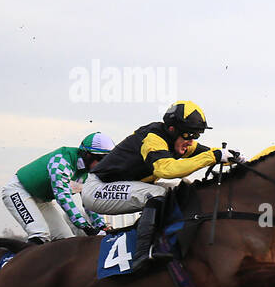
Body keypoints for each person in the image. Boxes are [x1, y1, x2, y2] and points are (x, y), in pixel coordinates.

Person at [81, 101, 243, 260]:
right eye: (189, 134)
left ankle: (173, 237)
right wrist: (214, 156)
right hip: (98, 189)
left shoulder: (179, 140)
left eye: (197, 135)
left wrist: (235, 159)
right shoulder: (153, 139)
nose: (192, 140)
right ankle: (142, 253)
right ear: (172, 129)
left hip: (117, 186)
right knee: (157, 193)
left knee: (182, 188)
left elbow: (211, 154)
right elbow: (166, 170)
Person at [2, 132, 114, 244]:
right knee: (40, 234)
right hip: (19, 191)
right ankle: (13, 261)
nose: (103, 165)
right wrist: (85, 226)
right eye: (102, 159)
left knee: (67, 240)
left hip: (43, 201)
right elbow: (62, 196)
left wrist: (101, 226)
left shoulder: (88, 173)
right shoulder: (62, 160)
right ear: (87, 155)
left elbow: (89, 201)